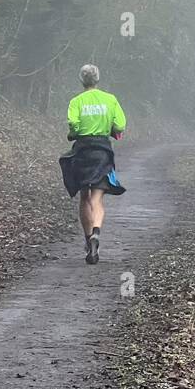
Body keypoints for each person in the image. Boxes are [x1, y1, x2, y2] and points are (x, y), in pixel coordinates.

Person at [58, 64, 127, 263]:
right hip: (102, 151)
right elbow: (120, 125)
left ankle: (89, 240)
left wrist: (75, 133)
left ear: (82, 80)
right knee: (97, 198)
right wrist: (109, 128)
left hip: (82, 151)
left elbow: (74, 126)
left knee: (84, 197)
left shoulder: (76, 101)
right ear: (98, 79)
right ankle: (97, 231)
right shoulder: (110, 99)